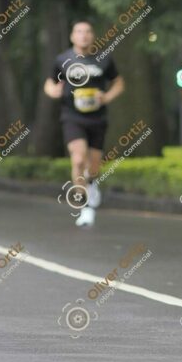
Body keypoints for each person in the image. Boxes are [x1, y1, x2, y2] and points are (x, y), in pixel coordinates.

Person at [44, 20, 124, 227]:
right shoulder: (63, 60)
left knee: (94, 166)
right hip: (72, 116)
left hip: (97, 118)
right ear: (72, 36)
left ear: (93, 36)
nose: (83, 35)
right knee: (78, 159)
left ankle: (92, 183)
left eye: (87, 31)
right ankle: (85, 205)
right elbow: (50, 82)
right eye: (79, 32)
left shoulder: (104, 59)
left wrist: (107, 97)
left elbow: (118, 83)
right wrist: (53, 91)